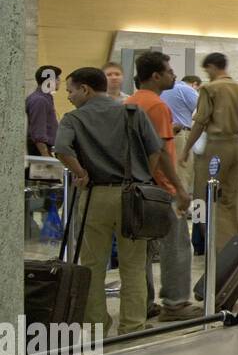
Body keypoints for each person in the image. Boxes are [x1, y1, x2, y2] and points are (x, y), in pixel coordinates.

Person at [53, 67, 163, 334]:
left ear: (85, 90)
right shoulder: (132, 112)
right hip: (133, 197)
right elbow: (155, 149)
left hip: (95, 196)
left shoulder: (73, 119)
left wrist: (80, 173)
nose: (68, 96)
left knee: (92, 264)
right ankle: (133, 325)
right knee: (134, 265)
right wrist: (142, 176)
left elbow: (61, 149)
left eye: (70, 90)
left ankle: (96, 323)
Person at [126, 52, 202, 321]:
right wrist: (178, 189)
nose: (174, 75)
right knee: (177, 245)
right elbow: (157, 152)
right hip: (160, 188)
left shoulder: (132, 101)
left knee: (143, 251)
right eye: (170, 71)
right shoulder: (157, 106)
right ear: (156, 75)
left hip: (137, 187)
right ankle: (176, 303)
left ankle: (143, 302)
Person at [182, 52, 238, 249]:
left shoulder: (209, 88)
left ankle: (210, 242)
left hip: (216, 147)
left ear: (212, 67)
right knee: (231, 196)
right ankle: (233, 243)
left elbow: (200, 122)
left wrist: (186, 149)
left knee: (202, 196)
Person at [26, 65, 60, 159]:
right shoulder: (39, 100)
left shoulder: (45, 98)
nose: (59, 81)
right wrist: (45, 156)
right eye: (57, 78)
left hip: (44, 148)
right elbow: (38, 130)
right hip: (40, 150)